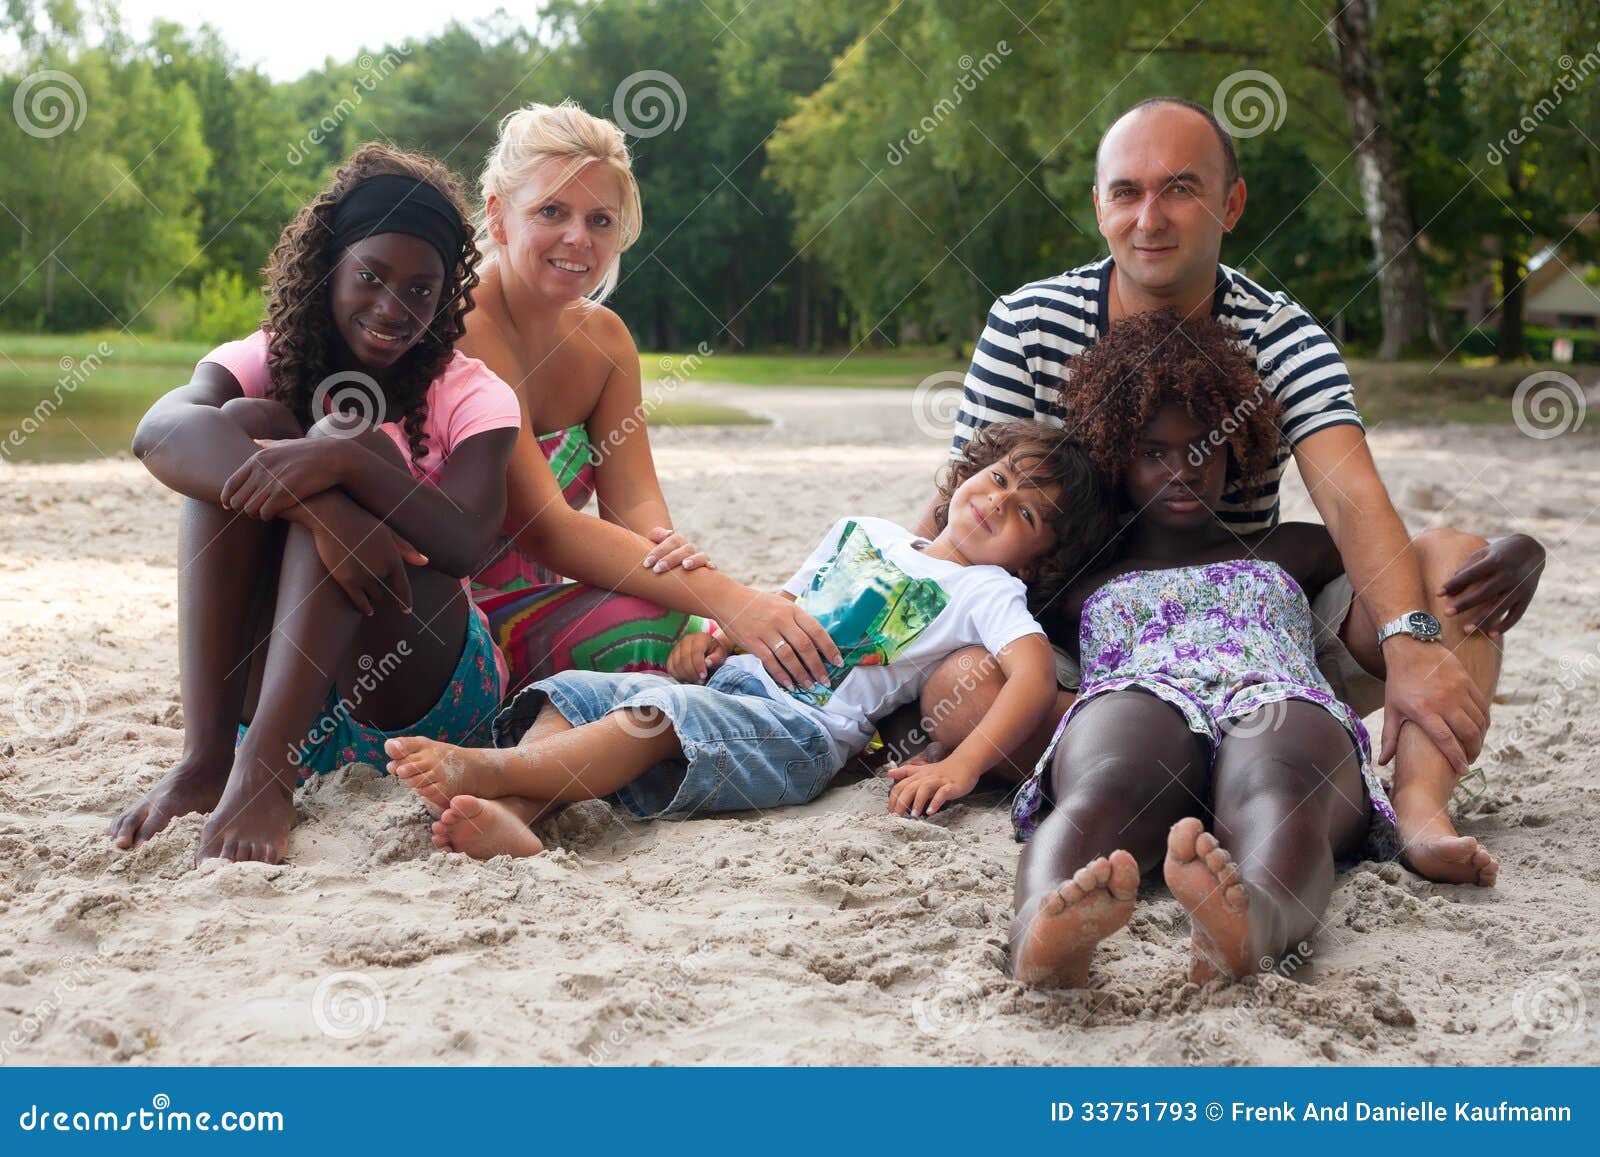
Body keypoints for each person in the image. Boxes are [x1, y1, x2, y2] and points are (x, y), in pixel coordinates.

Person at [903, 96, 1544, 886]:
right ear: (1099, 205)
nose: (1151, 219)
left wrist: (1411, 648)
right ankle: (1171, 766)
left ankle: (1417, 802)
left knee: (1457, 562)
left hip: (1260, 642)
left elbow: (1348, 497)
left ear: (1231, 203)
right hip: (1087, 661)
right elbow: (958, 515)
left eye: (1180, 188)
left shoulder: (1283, 335)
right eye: (1127, 192)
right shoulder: (1029, 325)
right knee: (954, 685)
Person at [380, 422, 1109, 859]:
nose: (997, 500)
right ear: (972, 467)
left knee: (655, 719)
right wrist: (722, 637)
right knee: (585, 693)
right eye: (1002, 476)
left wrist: (966, 765)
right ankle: (517, 811)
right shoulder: (869, 531)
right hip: (733, 688)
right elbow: (784, 605)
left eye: (1027, 513)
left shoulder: (988, 590)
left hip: (800, 733)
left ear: (1034, 560)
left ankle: (495, 772)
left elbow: (1034, 675)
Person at [110, 144, 521, 864]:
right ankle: (210, 757)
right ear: (329, 266)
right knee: (245, 422)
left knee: (350, 435)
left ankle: (267, 771)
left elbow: (468, 543)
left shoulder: (473, 392)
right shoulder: (269, 354)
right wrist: (325, 511)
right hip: (268, 688)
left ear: (448, 294)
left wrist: (341, 459)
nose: (394, 308)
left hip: (412, 691)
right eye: (370, 277)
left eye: (422, 290)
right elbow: (159, 433)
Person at [1010, 310, 1396, 987]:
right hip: (1140, 692)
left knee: (1279, 784)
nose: (1180, 469)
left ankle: (1253, 926)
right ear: (1116, 455)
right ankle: (1041, 931)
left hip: (1272, 690)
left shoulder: (1292, 547)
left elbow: (1400, 565)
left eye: (1201, 448)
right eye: (1154, 451)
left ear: (1236, 448)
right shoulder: (1077, 579)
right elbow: (961, 599)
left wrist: (1521, 553)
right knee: (1106, 783)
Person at [461, 101, 801, 689]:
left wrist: (693, 593)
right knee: (657, 632)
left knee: (684, 630)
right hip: (444, 618)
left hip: (540, 604)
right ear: (498, 217)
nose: (579, 237)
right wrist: (731, 599)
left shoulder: (606, 340)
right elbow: (547, 528)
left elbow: (637, 511)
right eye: (551, 211)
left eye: (600, 220)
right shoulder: (465, 326)